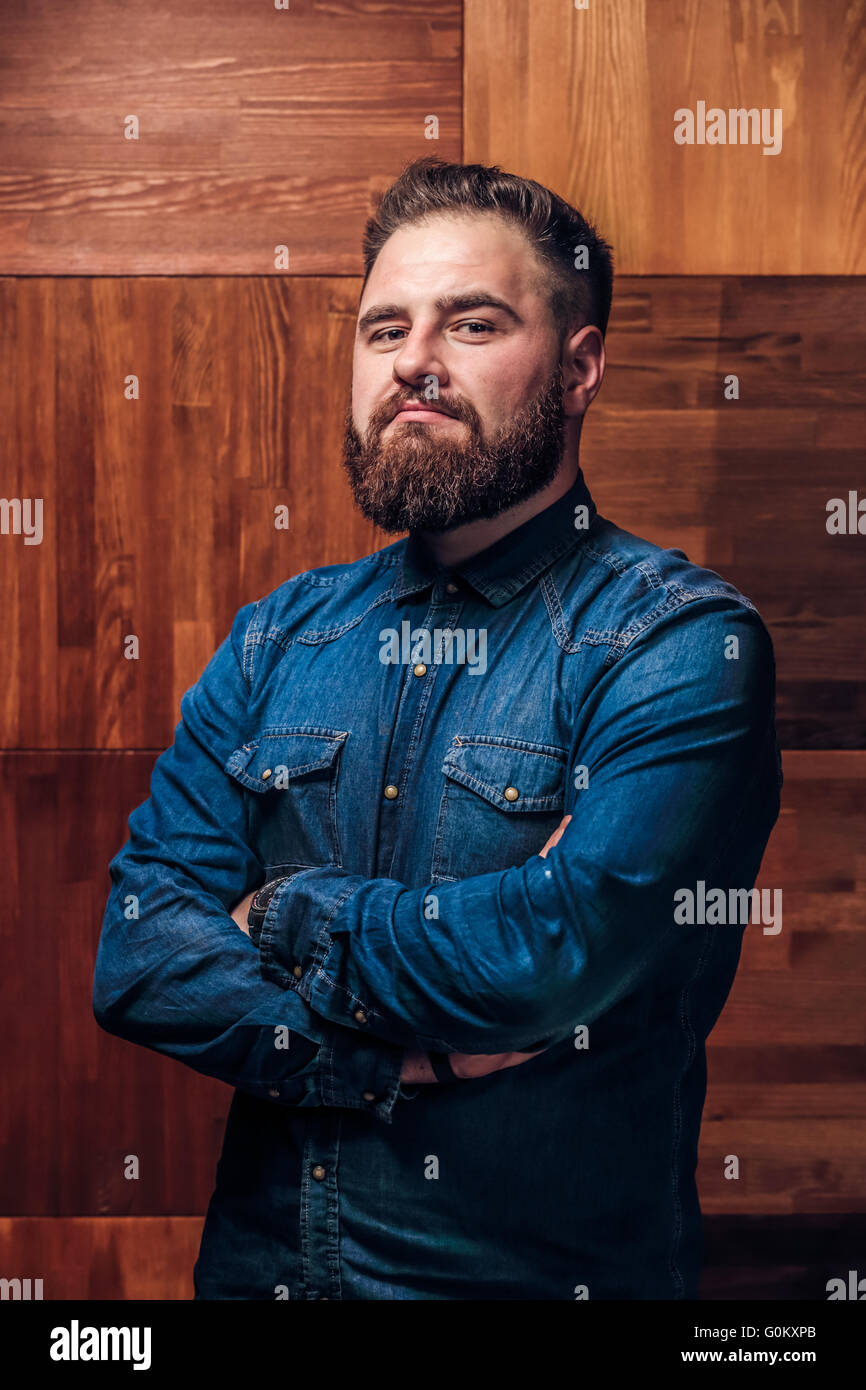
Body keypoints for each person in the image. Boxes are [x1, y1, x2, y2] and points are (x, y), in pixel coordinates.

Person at [93, 157, 782, 1300]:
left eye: (470, 323)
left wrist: (274, 909)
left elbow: (547, 956)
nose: (411, 361)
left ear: (579, 367)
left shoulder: (675, 645)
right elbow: (139, 954)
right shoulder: (280, 637)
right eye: (381, 329)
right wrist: (390, 1053)